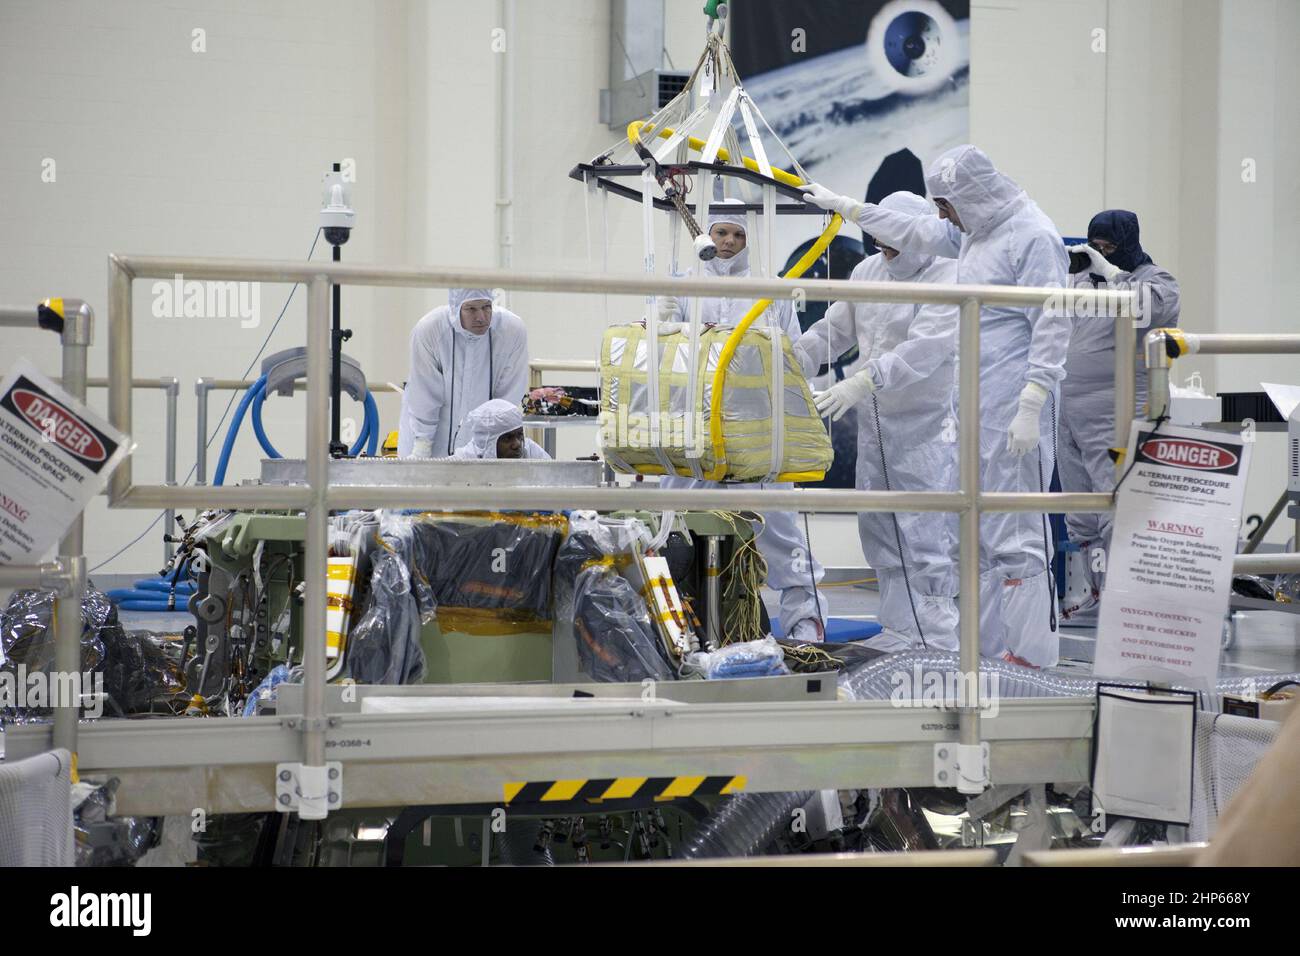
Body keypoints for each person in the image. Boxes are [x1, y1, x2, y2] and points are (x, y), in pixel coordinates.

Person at [803, 145, 1069, 667]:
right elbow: (911, 232)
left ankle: (1032, 653)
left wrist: (1033, 401)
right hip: (973, 401)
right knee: (979, 533)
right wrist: (846, 206)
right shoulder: (971, 235)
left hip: (1008, 405)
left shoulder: (1031, 236)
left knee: (1015, 531)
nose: (942, 215)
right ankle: (988, 650)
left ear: (967, 196)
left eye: (945, 203)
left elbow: (1053, 322)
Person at [794, 191, 960, 652]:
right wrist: (789, 361)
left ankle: (937, 639)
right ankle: (899, 630)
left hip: (928, 427)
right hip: (876, 424)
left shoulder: (948, 274)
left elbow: (926, 349)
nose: (885, 250)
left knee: (924, 534)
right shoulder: (867, 272)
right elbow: (833, 330)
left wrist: (862, 381)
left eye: (894, 242)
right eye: (879, 241)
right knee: (880, 529)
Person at [659, 201, 828, 643]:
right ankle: (671, 624)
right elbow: (661, 348)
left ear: (749, 240)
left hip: (757, 431)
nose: (729, 243)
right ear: (707, 236)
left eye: (737, 235)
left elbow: (790, 354)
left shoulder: (768, 288)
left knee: (781, 531)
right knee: (673, 525)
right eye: (721, 234)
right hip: (696, 431)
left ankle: (806, 624)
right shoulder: (684, 286)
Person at [1059, 211, 1180, 616]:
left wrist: (1111, 272)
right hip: (1070, 409)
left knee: (1117, 502)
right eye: (1095, 245)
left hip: (1118, 411)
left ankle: (1122, 599)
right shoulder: (1081, 281)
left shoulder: (1156, 281)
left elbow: (1146, 312)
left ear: (1127, 245)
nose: (1099, 253)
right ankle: (1089, 593)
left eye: (1108, 247)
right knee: (1080, 506)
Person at [397, 288, 529, 457]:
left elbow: (508, 396)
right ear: (455, 307)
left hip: (485, 442)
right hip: (431, 436)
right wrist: (422, 445)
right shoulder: (430, 329)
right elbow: (424, 392)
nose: (481, 317)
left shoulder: (511, 331)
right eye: (471, 309)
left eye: (486, 307)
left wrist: (496, 440)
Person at [449, 398, 550, 460]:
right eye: (508, 438)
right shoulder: (463, 463)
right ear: (487, 442)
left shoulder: (531, 452)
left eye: (520, 435)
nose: (517, 444)